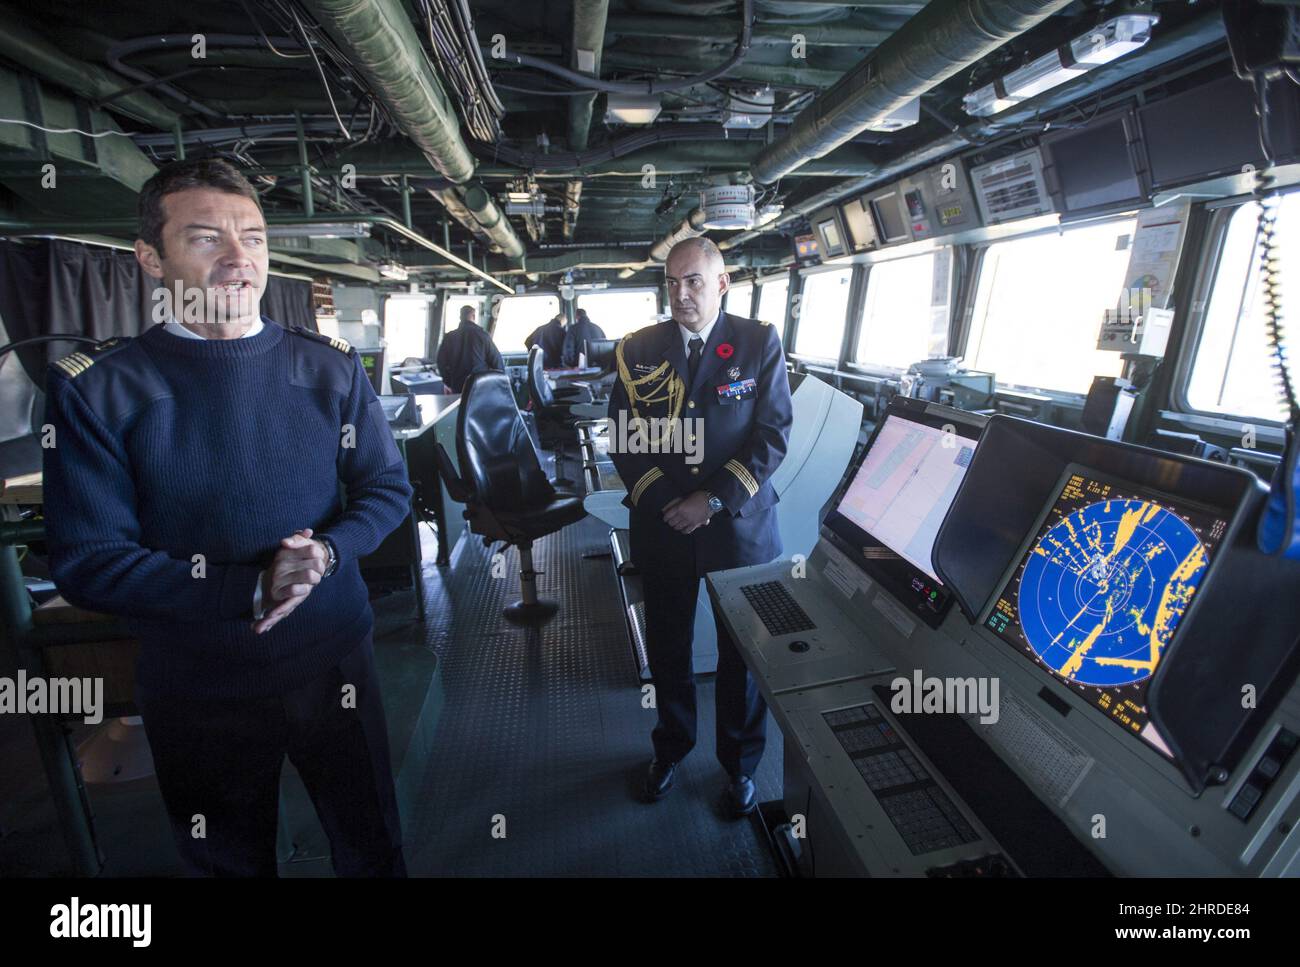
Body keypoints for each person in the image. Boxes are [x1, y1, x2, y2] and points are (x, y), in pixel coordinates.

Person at [41, 158, 413, 877]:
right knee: (228, 863)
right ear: (151, 259)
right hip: (197, 680)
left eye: (255, 238)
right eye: (207, 239)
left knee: (371, 841)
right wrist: (247, 589)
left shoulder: (330, 367)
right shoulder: (101, 390)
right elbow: (88, 558)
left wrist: (328, 553)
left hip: (331, 656)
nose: (241, 260)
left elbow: (385, 488)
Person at [606, 236, 792, 818]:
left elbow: (772, 435)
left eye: (693, 281)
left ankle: (739, 767)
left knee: (744, 653)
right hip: (664, 527)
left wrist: (710, 500)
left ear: (721, 283)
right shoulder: (638, 350)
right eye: (672, 282)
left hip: (737, 527)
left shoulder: (758, 342)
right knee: (667, 646)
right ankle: (671, 747)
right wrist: (669, 502)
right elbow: (624, 437)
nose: (681, 294)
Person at [436, 303, 504, 393]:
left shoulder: (449, 337)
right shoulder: (482, 336)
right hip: (480, 384)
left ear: (460, 317)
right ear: (474, 316)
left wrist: (449, 382)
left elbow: (441, 362)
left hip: (457, 385)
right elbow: (497, 362)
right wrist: (499, 382)